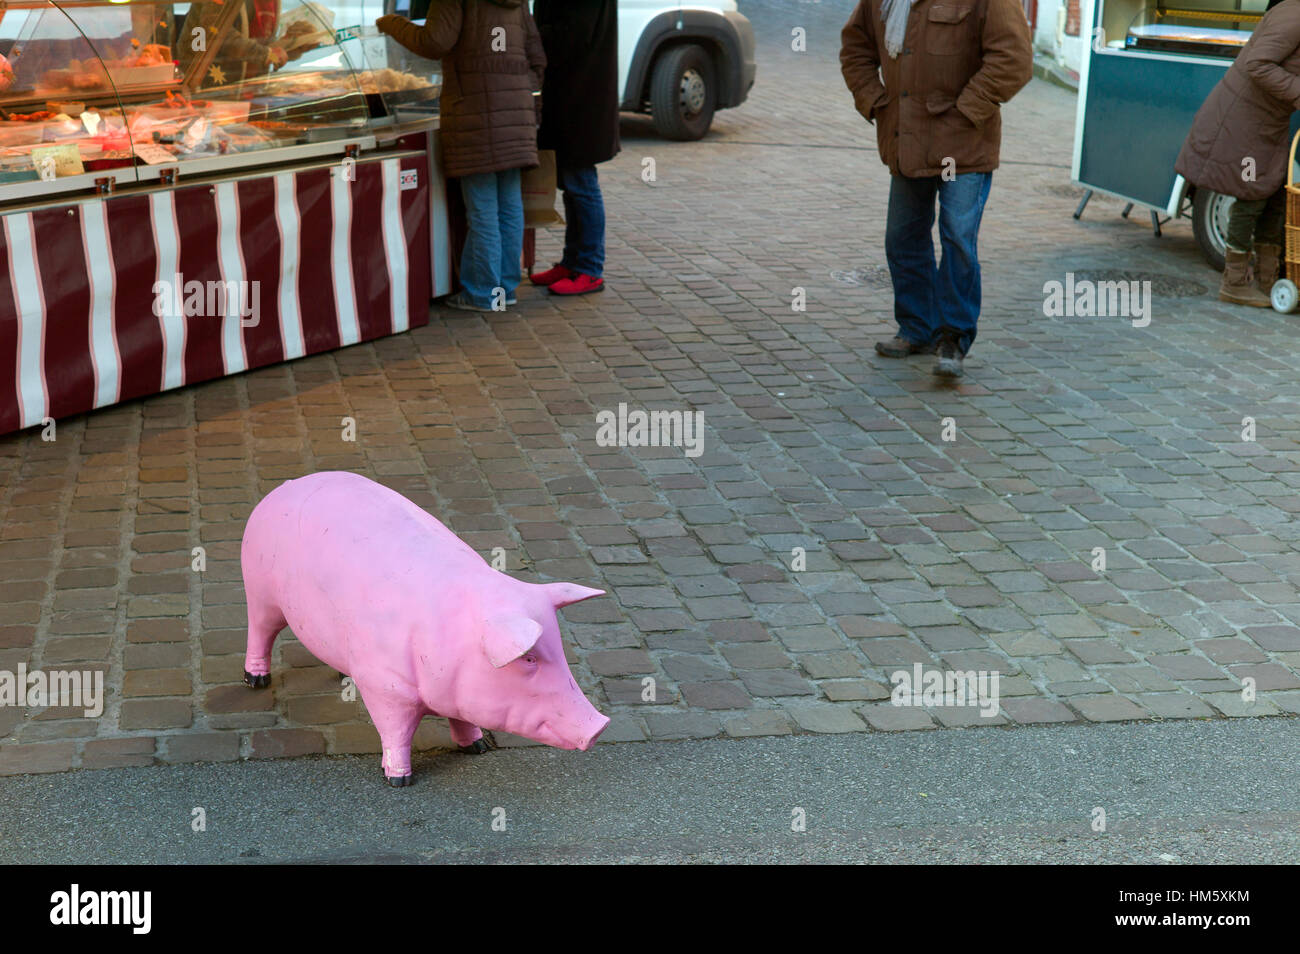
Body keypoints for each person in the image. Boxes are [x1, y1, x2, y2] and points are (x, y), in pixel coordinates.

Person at [840, 0, 1032, 378]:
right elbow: (855, 47)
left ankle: (953, 339)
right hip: (907, 140)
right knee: (903, 237)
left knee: (958, 238)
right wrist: (875, 100)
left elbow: (1013, 58)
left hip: (964, 145)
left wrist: (966, 110)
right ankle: (917, 328)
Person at [378, 0, 545, 312]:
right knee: (508, 207)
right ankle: (505, 290)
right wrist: (519, 96)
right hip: (515, 115)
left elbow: (434, 41)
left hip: (475, 115)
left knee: (483, 211)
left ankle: (482, 293)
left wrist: (391, 23)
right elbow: (537, 55)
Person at [1176, 0, 1300, 308]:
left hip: (1267, 123)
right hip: (1245, 122)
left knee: (1273, 195)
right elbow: (1257, 64)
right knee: (1251, 195)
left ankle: (1267, 280)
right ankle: (1234, 281)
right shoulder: (1295, 13)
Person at [528, 0, 619, 297]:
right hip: (570, 96)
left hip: (582, 99)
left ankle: (590, 268)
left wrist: (532, 33)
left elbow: (573, 37)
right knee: (571, 183)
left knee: (581, 183)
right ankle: (572, 262)